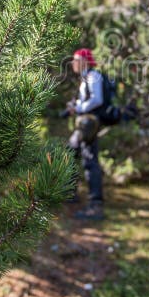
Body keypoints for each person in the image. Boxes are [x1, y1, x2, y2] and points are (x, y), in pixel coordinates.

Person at [65, 48, 106, 220]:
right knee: (70, 152)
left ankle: (95, 207)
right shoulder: (86, 77)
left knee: (89, 161)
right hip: (85, 125)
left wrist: (79, 108)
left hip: (89, 125)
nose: (73, 63)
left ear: (85, 61)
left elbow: (98, 99)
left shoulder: (93, 76)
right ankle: (70, 193)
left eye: (76, 60)